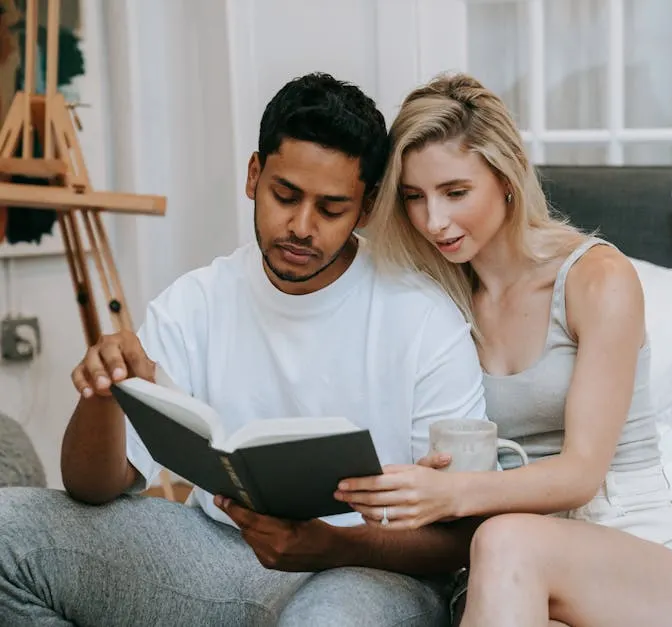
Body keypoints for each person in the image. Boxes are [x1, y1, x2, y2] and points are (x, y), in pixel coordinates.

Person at [0, 72, 488, 627]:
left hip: (371, 571)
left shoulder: (424, 319)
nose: (301, 227)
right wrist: (102, 398)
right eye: (285, 196)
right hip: (218, 553)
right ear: (254, 175)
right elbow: (94, 489)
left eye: (330, 209)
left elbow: (458, 540)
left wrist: (333, 545)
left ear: (368, 206)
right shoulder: (199, 300)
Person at [336, 73, 672, 626]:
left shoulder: (598, 279)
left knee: (505, 539)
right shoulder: (437, 296)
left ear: (507, 176)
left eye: (455, 192)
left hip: (630, 548)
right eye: (415, 198)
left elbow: (582, 473)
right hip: (503, 575)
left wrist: (451, 494)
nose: (433, 221)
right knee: (500, 547)